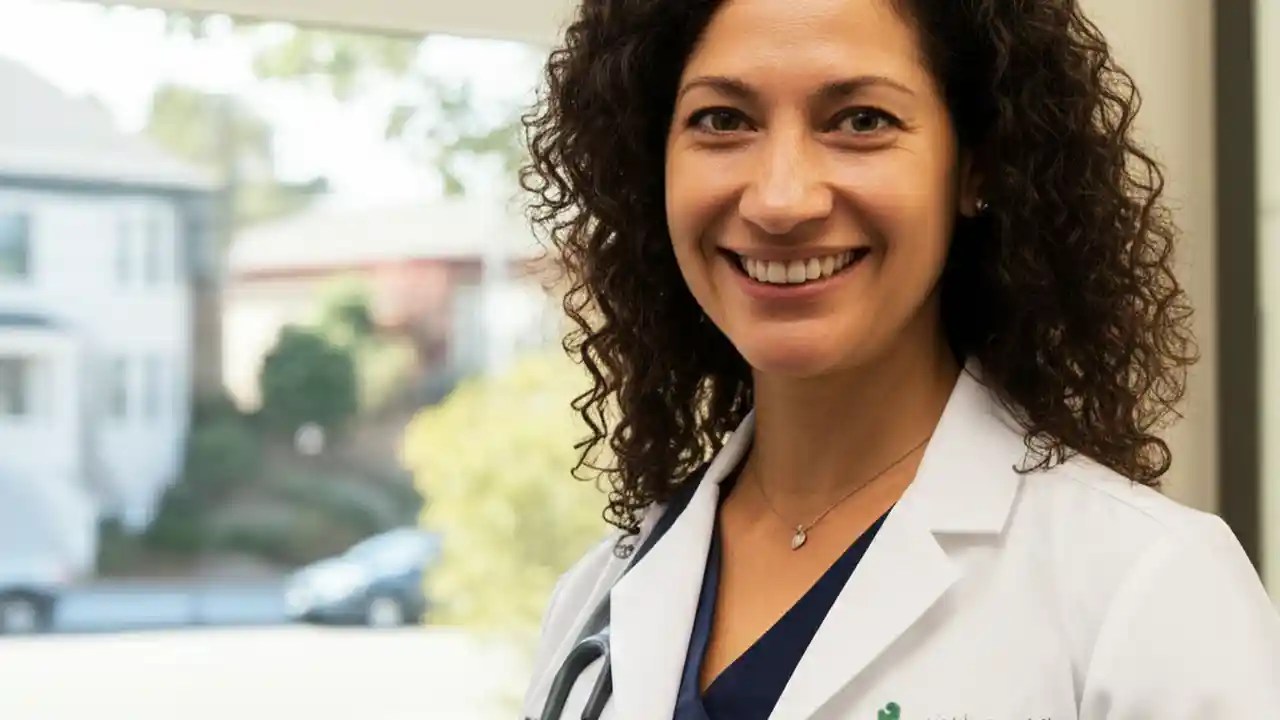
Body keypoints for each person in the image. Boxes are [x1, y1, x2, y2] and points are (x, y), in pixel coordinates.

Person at [519, 0, 1280, 717]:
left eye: (860, 120)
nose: (781, 199)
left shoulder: (1147, 588)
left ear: (976, 167)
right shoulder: (604, 595)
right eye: (722, 120)